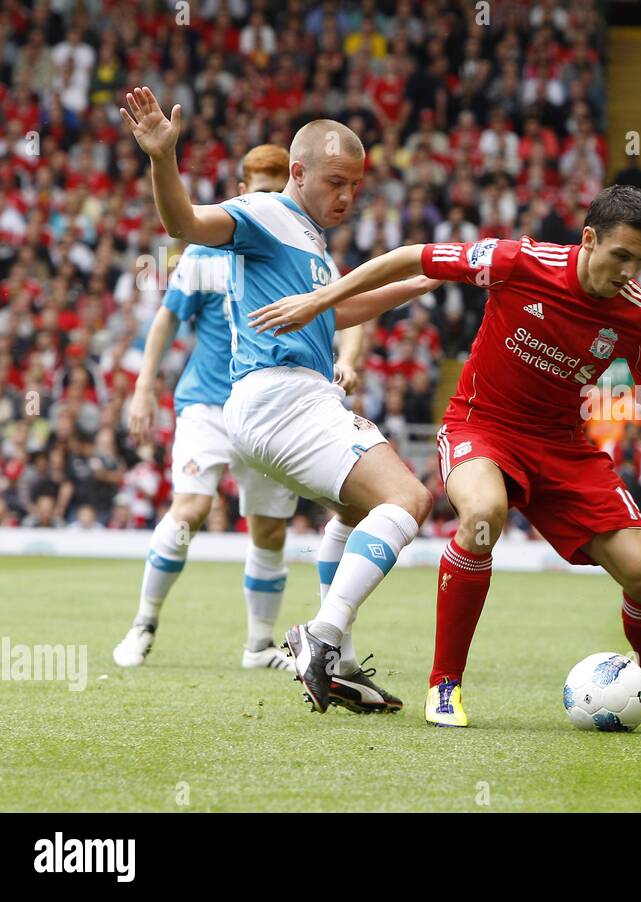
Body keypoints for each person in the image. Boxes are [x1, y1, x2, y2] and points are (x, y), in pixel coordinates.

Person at [250, 185, 641, 731]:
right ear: (589, 238)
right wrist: (321, 301)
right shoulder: (517, 261)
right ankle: (445, 686)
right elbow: (412, 256)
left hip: (564, 447)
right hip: (481, 427)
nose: (629, 271)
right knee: (483, 516)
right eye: (620, 255)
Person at [120, 86, 440, 714]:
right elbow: (184, 225)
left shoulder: (311, 241)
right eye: (336, 183)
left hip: (279, 402)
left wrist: (423, 283)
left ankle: (341, 664)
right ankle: (319, 639)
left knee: (353, 514)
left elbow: (341, 309)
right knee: (410, 498)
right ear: (299, 173)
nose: (347, 198)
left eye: (356, 186)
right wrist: (163, 157)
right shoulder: (266, 211)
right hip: (280, 397)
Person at [113, 145, 319, 673]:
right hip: (207, 403)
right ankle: (143, 623)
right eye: (261, 184)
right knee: (190, 512)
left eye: (279, 185)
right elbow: (165, 321)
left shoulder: (294, 249)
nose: (270, 194)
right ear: (241, 185)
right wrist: (143, 387)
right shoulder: (207, 255)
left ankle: (258, 646)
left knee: (270, 530)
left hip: (270, 408)